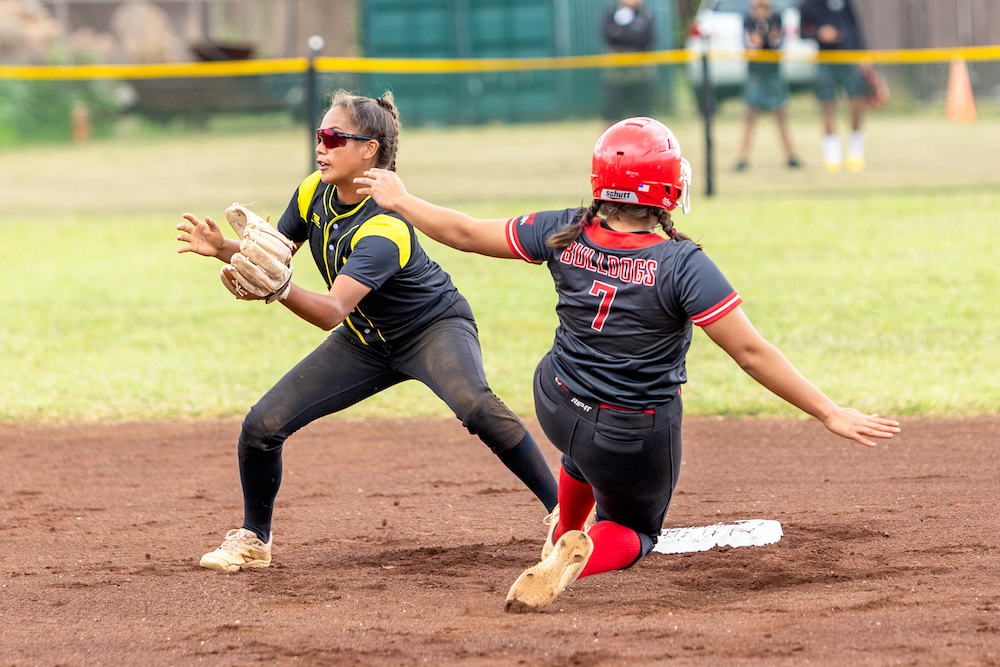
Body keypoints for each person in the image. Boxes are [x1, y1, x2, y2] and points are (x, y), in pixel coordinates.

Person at [354, 117, 900, 612]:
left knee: (580, 449)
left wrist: (401, 199)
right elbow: (751, 354)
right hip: (628, 432)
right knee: (635, 529)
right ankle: (575, 555)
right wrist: (828, 411)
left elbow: (466, 233)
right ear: (664, 189)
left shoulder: (564, 228)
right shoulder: (682, 263)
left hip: (555, 400)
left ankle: (563, 528)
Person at [176, 90, 558, 572]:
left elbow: (331, 309)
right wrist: (224, 248)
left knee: (476, 406)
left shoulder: (386, 226)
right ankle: (254, 540)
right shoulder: (314, 191)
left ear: (369, 150)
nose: (322, 146)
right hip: (366, 341)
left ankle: (564, 513)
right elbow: (275, 259)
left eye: (335, 138)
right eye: (320, 135)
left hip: (431, 329)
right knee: (261, 426)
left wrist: (280, 290)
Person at [799, 0, 872, 172]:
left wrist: (863, 55)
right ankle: (832, 155)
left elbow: (855, 27)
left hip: (848, 58)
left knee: (856, 102)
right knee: (827, 105)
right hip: (826, 60)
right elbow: (803, 32)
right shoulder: (808, 4)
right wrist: (819, 33)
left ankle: (855, 151)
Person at [734, 0, 801, 171]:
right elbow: (749, 43)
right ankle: (743, 158)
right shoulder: (748, 18)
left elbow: (777, 41)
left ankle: (791, 155)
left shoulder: (776, 17)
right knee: (751, 114)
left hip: (772, 71)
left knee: (780, 113)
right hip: (755, 71)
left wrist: (765, 41)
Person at [602, 0, 657, 126]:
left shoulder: (646, 14)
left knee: (642, 109)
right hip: (617, 70)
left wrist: (620, 33)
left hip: (641, 70)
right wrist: (633, 33)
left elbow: (647, 38)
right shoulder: (612, 13)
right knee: (612, 108)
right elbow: (607, 34)